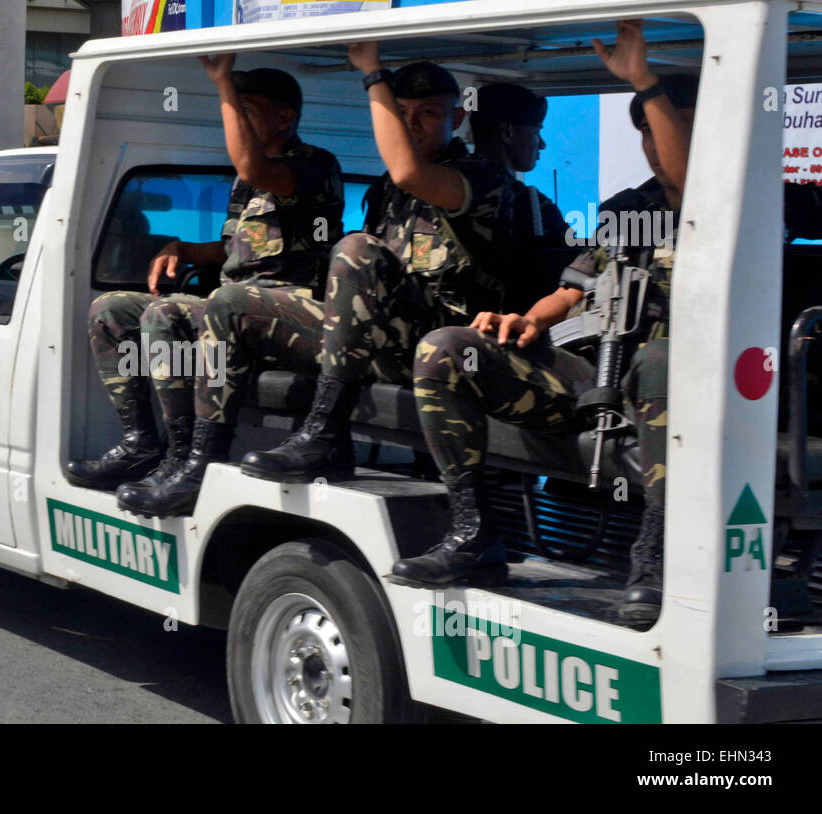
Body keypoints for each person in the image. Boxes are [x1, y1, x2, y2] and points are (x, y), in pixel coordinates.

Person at [389, 21, 694, 626]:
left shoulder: (760, 199)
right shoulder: (630, 211)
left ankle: (656, 558)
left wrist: (645, 82)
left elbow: (694, 188)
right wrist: (524, 321)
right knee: (449, 348)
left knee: (659, 361)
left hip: (691, 393)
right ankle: (475, 536)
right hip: (601, 379)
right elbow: (572, 289)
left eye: (669, 129)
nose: (656, 146)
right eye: (646, 134)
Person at [64, 60, 344, 502]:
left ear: (284, 118)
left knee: (169, 311)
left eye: (246, 108)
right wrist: (183, 249)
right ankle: (143, 444)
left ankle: (190, 462)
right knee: (112, 309)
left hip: (291, 312)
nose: (234, 117)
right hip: (232, 310)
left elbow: (254, 168)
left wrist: (221, 83)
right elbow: (233, 246)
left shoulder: (314, 166)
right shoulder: (245, 180)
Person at [232, 53, 516, 487]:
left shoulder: (482, 174)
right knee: (232, 302)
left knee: (355, 248)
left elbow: (409, 174)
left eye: (427, 114)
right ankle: (194, 456)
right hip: (389, 339)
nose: (411, 124)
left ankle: (324, 432)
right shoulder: (385, 188)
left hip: (447, 345)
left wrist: (371, 70)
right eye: (400, 114)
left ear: (456, 117)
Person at [469, 82, 568, 248]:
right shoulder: (527, 206)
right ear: (507, 132)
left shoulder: (444, 185)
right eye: (535, 132)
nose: (542, 144)